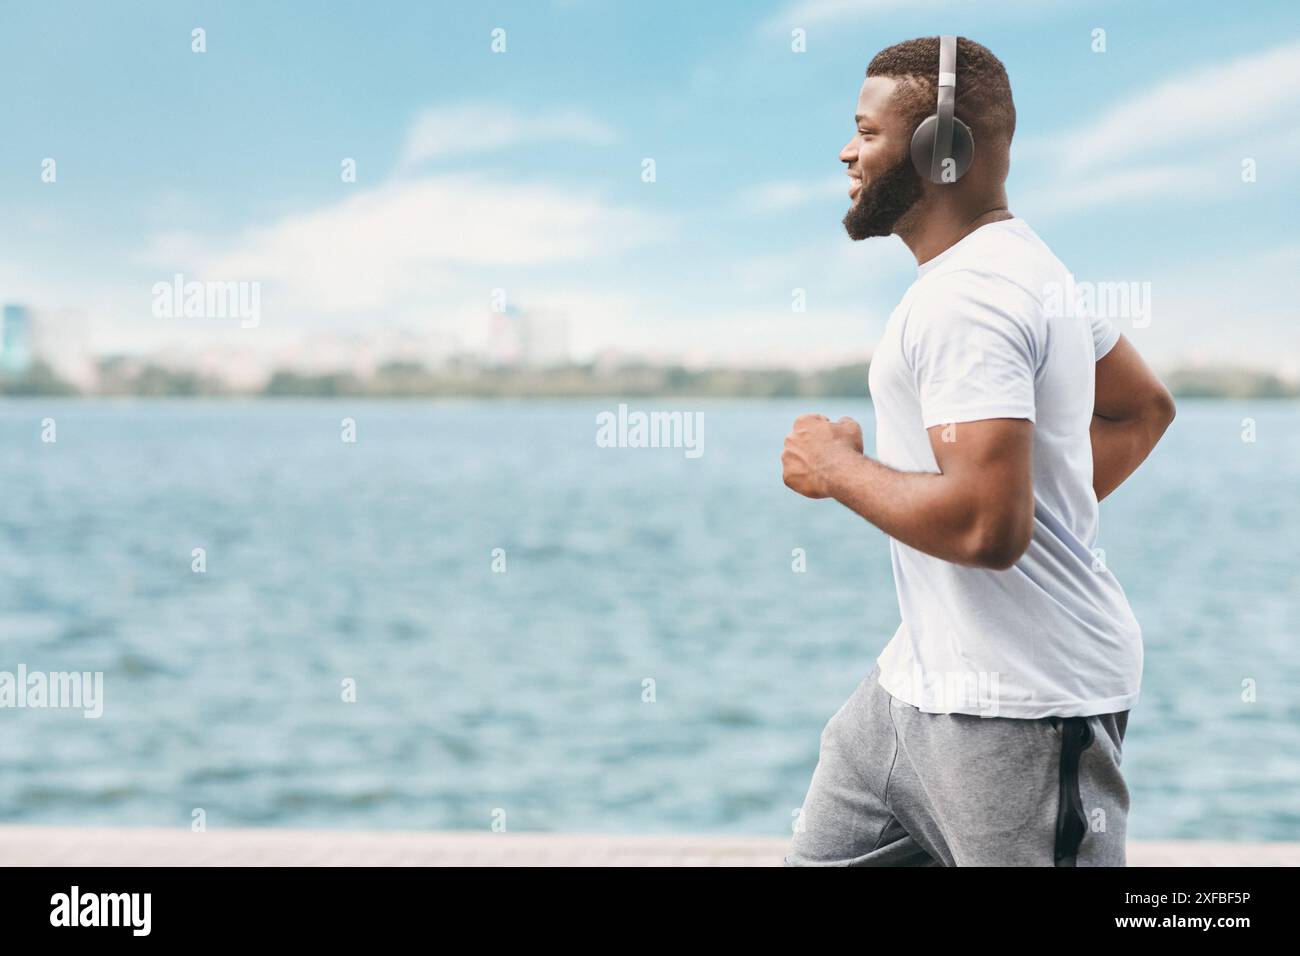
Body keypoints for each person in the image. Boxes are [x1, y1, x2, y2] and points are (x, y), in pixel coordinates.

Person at [780, 36, 1176, 866]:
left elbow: (987, 530)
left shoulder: (971, 300)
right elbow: (1142, 410)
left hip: (1020, 710)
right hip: (909, 690)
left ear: (939, 153)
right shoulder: (1028, 270)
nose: (846, 151)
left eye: (867, 132)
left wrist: (835, 469)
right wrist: (1035, 504)